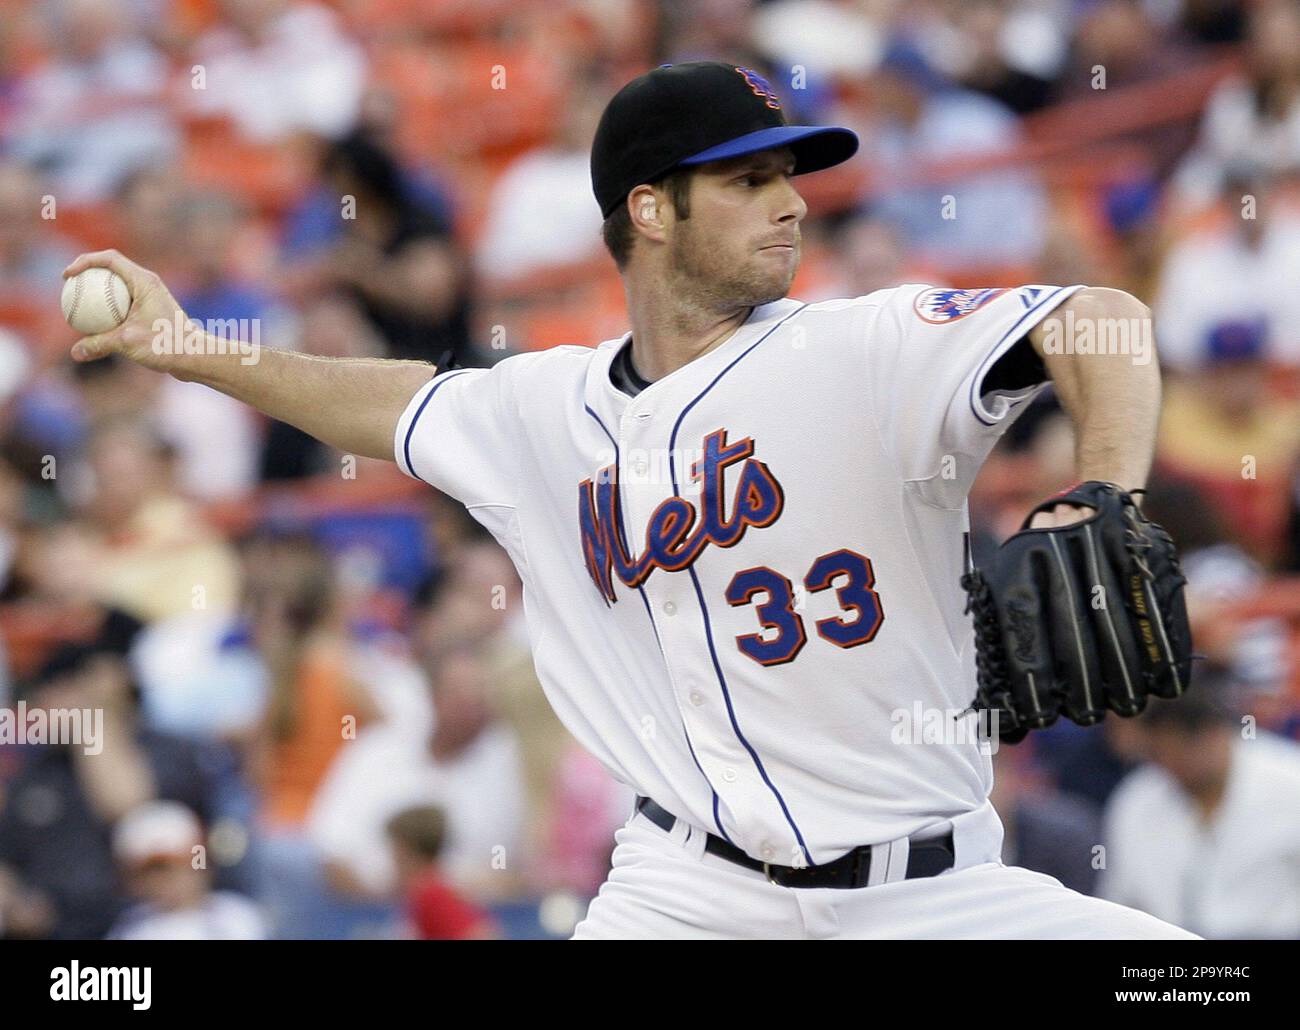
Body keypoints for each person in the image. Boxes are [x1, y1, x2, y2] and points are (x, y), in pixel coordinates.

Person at [61, 61, 1197, 939]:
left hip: (934, 895)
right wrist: (192, 349)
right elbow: (391, 401)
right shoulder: (539, 410)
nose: (791, 205)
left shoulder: (867, 345)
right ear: (650, 211)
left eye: (790, 177)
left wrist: (1104, 484)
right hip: (684, 895)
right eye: (750, 181)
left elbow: (1098, 318)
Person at [1098, 664, 1300, 938]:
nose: (1171, 763)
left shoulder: (1290, 782)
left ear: (1214, 733)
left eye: (1182, 750)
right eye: (1159, 752)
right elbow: (1118, 904)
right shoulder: (1137, 799)